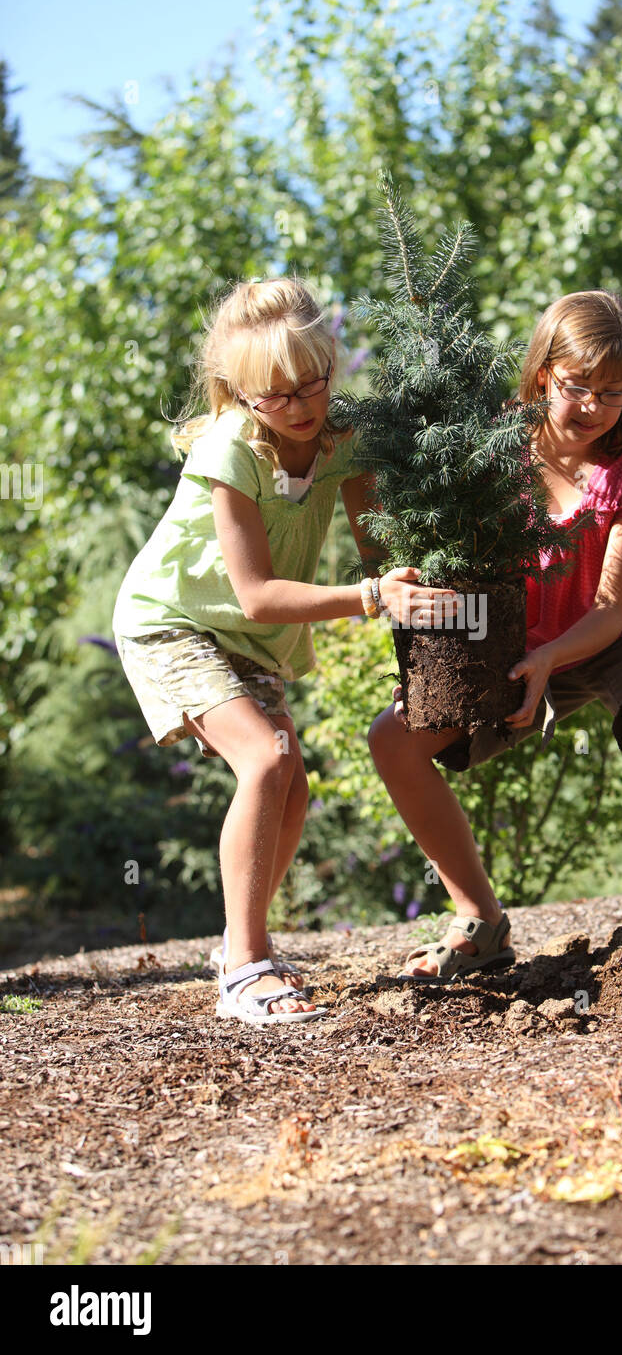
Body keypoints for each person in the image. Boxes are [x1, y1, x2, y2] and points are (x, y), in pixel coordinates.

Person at [112, 276, 458, 1023]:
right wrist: (371, 599)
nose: (299, 408)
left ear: (332, 365)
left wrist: (420, 638)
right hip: (172, 620)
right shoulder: (229, 450)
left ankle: (240, 939)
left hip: (251, 642)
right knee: (266, 759)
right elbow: (258, 594)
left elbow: (379, 555)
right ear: (238, 392)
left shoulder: (343, 438)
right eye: (275, 396)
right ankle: (245, 965)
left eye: (313, 385)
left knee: (291, 788)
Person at [367, 289, 622, 980]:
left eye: (613, 392)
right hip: (514, 636)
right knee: (392, 741)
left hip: (619, 631)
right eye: (577, 386)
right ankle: (480, 920)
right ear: (541, 377)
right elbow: (442, 554)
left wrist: (551, 660)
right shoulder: (497, 448)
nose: (593, 405)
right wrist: (435, 656)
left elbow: (611, 608)